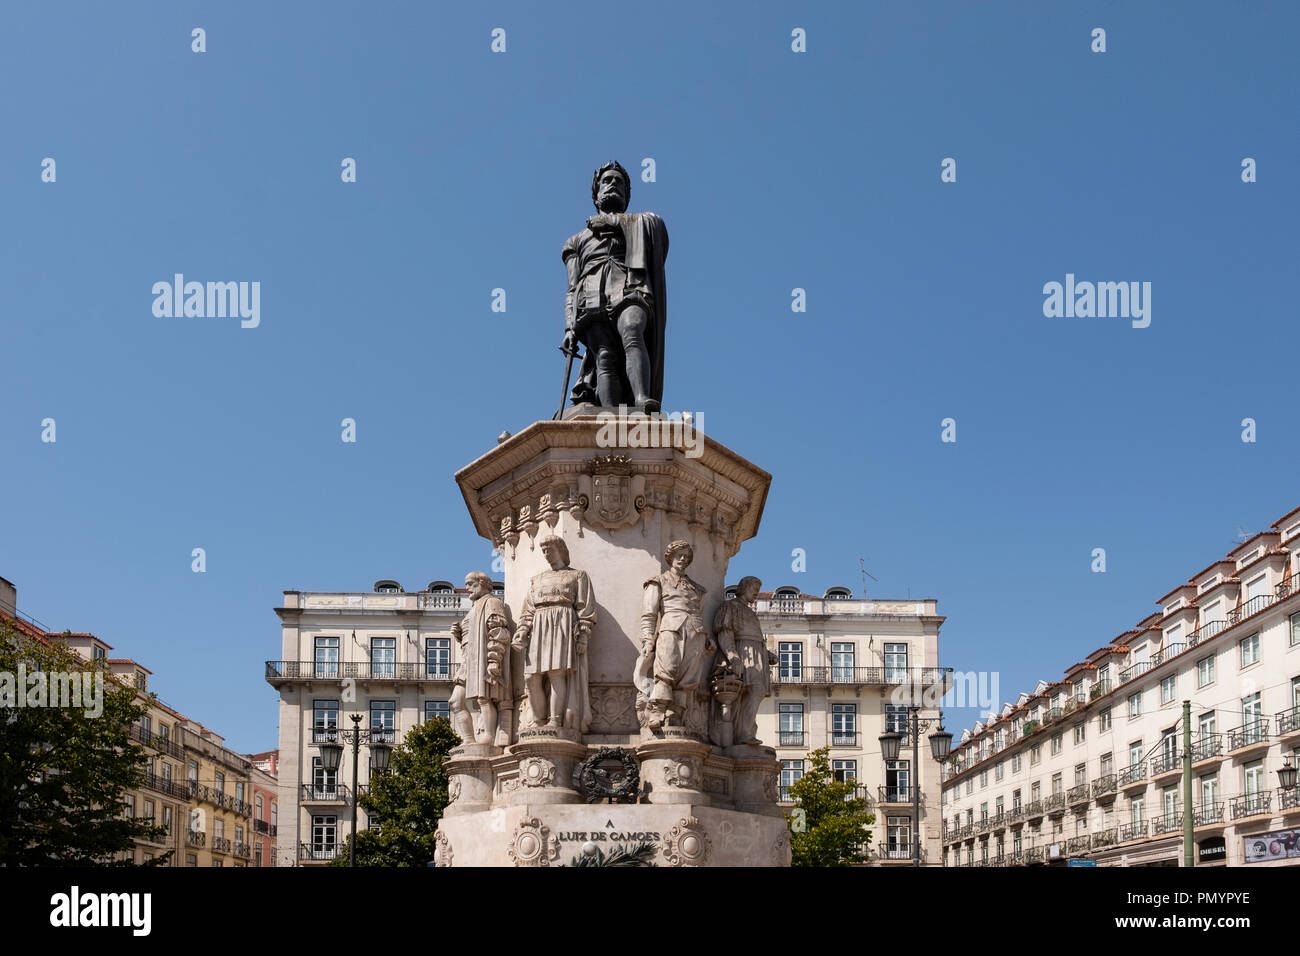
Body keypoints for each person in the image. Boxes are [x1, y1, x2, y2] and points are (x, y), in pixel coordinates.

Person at [561, 160, 668, 412]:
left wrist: (614, 223)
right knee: (605, 355)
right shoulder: (575, 241)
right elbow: (571, 286)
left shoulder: (640, 222)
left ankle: (642, 400)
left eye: (618, 182)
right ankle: (610, 414)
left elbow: (659, 232)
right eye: (607, 181)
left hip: (631, 286)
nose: (613, 185)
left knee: (632, 329)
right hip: (590, 295)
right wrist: (568, 327)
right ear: (596, 194)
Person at [514, 536, 595, 732]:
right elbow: (528, 609)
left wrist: (583, 634)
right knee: (531, 677)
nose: (546, 554)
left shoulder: (577, 576)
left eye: (549, 549)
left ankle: (555, 721)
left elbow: (584, 608)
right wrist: (523, 629)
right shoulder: (537, 579)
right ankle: (539, 720)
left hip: (563, 623)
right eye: (543, 551)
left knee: (556, 674)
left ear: (560, 550)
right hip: (540, 624)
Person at [638, 540, 713, 732]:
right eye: (679, 555)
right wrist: (648, 639)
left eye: (686, 557)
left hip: (695, 633)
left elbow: (698, 613)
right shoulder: (658, 581)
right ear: (670, 557)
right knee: (666, 668)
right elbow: (649, 613)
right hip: (670, 628)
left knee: (688, 676)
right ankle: (657, 710)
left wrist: (707, 639)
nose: (682, 559)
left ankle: (676, 714)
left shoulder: (697, 588)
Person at [449, 571, 514, 746]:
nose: (467, 588)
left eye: (471, 583)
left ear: (483, 583)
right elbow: (470, 640)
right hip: (468, 661)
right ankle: (469, 740)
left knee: (484, 698)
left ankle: (489, 736)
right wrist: (459, 635)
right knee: (455, 702)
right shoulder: (474, 608)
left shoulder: (492, 602)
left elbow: (499, 632)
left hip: (482, 660)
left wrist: (494, 660)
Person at [714, 576, 778, 745]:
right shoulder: (731, 606)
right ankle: (742, 733)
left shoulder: (750, 612)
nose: (756, 593)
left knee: (755, 692)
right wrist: (732, 656)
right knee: (750, 691)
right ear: (743, 588)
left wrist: (768, 654)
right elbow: (725, 632)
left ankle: (745, 732)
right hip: (743, 653)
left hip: (757, 655)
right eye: (753, 589)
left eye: (758, 589)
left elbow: (755, 637)